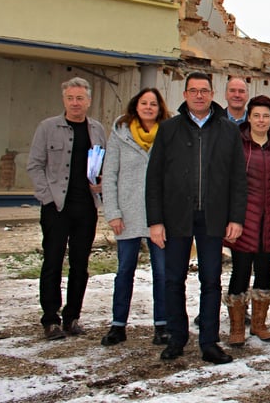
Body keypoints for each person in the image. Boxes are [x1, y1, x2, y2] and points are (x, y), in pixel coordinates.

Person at [146, 71, 247, 365]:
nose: (199, 95)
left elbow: (238, 179)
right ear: (185, 94)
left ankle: (209, 342)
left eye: (204, 90)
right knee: (173, 279)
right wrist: (155, 221)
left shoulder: (228, 130)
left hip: (213, 218)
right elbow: (154, 178)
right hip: (176, 216)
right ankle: (177, 338)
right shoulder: (169, 129)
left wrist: (236, 218)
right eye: (193, 90)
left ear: (212, 94)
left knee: (211, 280)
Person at [27, 77, 106, 340]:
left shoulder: (97, 129)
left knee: (80, 264)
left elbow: (103, 164)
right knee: (53, 261)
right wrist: (47, 197)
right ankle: (51, 319)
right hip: (57, 206)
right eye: (70, 98)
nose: (75, 103)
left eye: (80, 98)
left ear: (88, 101)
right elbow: (35, 165)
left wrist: (102, 183)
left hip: (86, 206)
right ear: (64, 100)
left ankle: (72, 317)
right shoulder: (47, 127)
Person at [100, 87, 171, 347]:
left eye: (153, 103)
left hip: (159, 217)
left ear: (160, 108)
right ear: (135, 106)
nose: (149, 107)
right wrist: (113, 213)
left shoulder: (168, 133)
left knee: (162, 273)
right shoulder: (120, 134)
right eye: (144, 103)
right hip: (127, 215)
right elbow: (109, 175)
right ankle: (118, 325)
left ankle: (162, 325)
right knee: (124, 271)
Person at [224, 96, 270, 346]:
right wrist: (231, 218)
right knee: (240, 271)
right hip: (243, 220)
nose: (261, 120)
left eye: (266, 116)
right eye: (256, 115)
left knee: (264, 271)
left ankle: (259, 324)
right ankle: (237, 326)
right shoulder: (238, 143)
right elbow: (229, 182)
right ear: (249, 118)